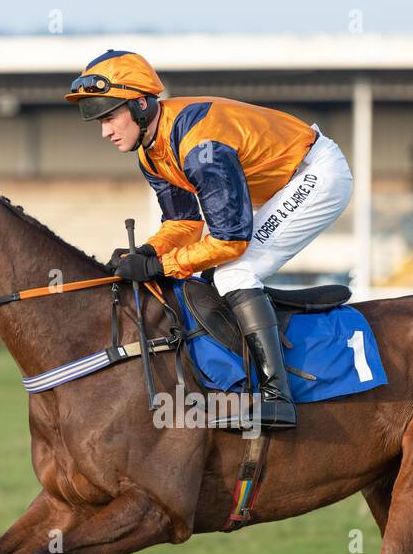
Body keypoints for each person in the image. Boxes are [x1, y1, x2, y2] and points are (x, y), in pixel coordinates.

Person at [65, 49, 353, 430]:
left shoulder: (201, 147)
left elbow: (230, 241)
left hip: (317, 175)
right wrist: (147, 251)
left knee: (234, 273)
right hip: (287, 182)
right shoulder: (151, 152)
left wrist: (157, 266)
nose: (105, 131)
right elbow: (184, 223)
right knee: (211, 276)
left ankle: (277, 396)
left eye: (109, 117)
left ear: (139, 104)